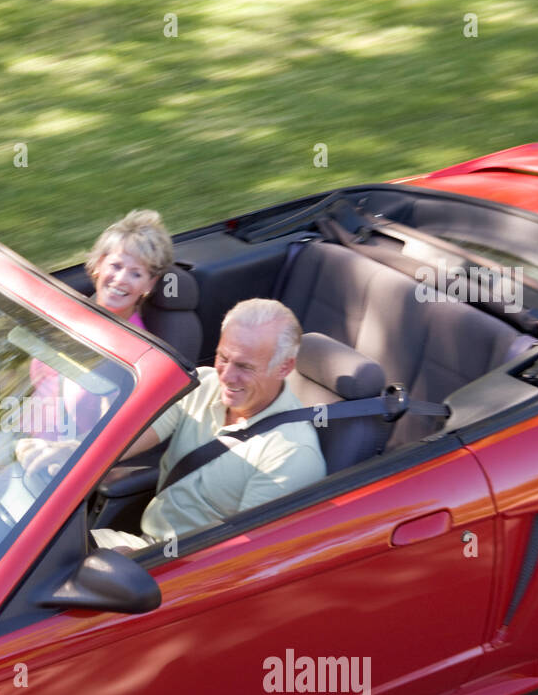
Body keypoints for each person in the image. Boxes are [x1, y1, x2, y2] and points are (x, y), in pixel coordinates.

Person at [72, 298, 327, 551]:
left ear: (284, 367)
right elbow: (124, 439)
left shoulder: (292, 455)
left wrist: (138, 563)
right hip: (142, 546)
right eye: (223, 357)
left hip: (184, 572)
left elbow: (242, 559)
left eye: (244, 367)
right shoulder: (204, 384)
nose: (226, 376)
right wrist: (70, 454)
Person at [20, 209, 174, 445]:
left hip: (63, 459)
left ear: (149, 284)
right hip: (26, 443)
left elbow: (109, 435)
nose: (121, 279)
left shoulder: (135, 352)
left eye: (136, 273)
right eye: (116, 265)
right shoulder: (71, 317)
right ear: (98, 265)